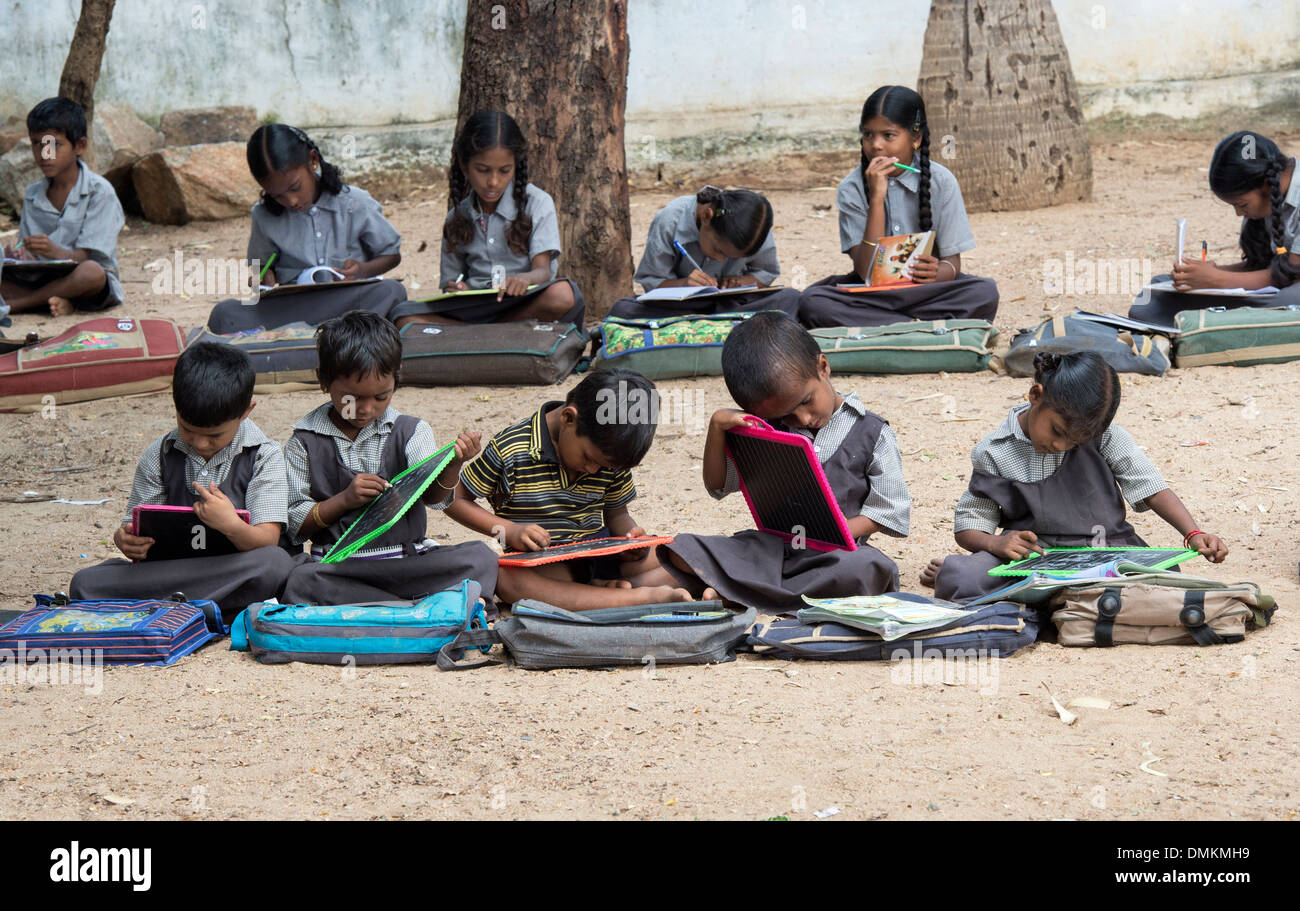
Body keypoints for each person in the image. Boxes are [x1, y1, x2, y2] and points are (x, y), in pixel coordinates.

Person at [924, 351, 1229, 604]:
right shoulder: (994, 452)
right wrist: (995, 544)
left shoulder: (1108, 437)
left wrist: (1193, 534)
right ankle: (1066, 601)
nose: (1060, 446)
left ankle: (1047, 602)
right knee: (961, 577)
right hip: (1032, 560)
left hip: (1107, 551)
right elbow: (968, 528)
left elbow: (1152, 489)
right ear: (1035, 395)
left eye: (1076, 441)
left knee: (1170, 579)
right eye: (1057, 431)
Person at [658, 312, 909, 614]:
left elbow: (888, 510)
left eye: (805, 402)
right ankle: (764, 595)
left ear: (823, 367)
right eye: (787, 415)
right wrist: (717, 428)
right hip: (772, 550)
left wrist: (834, 530)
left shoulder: (873, 432)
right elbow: (717, 484)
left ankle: (739, 594)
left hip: (836, 554)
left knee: (872, 568)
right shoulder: (767, 428)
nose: (803, 419)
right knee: (683, 549)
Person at [279, 311, 498, 604]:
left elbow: (434, 499)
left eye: (381, 397)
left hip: (405, 565)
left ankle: (375, 603)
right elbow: (294, 525)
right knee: (299, 578)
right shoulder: (304, 441)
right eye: (352, 398)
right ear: (323, 381)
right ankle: (413, 604)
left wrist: (454, 462)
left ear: (396, 380)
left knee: (480, 557)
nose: (367, 409)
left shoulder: (411, 431)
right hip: (338, 571)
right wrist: (342, 501)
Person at [69, 343, 296, 615]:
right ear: (175, 405)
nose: (200, 443)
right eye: (187, 430)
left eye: (214, 436)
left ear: (246, 411)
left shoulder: (263, 456)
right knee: (84, 582)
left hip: (235, 569)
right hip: (174, 571)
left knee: (276, 565)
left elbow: (267, 540)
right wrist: (126, 541)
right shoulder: (159, 455)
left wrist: (231, 525)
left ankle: (166, 605)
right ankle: (203, 605)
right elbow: (136, 529)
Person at [446, 368, 690, 610]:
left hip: (602, 555)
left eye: (604, 466)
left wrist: (633, 543)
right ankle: (640, 598)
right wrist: (509, 530)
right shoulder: (511, 449)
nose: (594, 470)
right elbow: (455, 499)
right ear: (568, 418)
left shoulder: (610, 454)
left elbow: (617, 515)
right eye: (588, 458)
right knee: (506, 578)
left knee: (682, 552)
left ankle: (601, 592)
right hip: (546, 565)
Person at [797, 85, 998, 328]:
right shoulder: (851, 188)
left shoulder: (942, 181)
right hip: (873, 295)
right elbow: (865, 272)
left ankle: (892, 327)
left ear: (916, 138)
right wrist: (876, 199)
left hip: (928, 293)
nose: (876, 145)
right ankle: (921, 326)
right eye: (868, 135)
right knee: (813, 302)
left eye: (888, 135)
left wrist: (938, 273)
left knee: (984, 292)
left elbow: (952, 265)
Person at [205, 124, 407, 333]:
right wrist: (264, 277)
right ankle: (334, 337)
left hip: (350, 304)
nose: (291, 201)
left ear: (313, 160)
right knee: (225, 313)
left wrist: (363, 270)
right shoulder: (263, 215)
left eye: (295, 188)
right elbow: (261, 265)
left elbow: (392, 255)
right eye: (277, 195)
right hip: (295, 308)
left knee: (392, 291)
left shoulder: (355, 203)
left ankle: (312, 337)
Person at [392, 110, 583, 326]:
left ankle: (480, 334)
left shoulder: (537, 203)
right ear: (465, 167)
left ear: (515, 166)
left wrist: (524, 279)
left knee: (563, 294)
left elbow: (543, 270)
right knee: (403, 317)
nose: (493, 182)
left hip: (522, 303)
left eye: (504, 171)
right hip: (475, 308)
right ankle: (493, 333)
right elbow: (450, 285)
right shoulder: (456, 218)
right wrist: (457, 288)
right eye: (483, 170)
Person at [1129, 131, 1300, 327]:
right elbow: (1264, 266)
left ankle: (1206, 324)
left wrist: (1216, 279)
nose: (1238, 213)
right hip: (1277, 286)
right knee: (1157, 290)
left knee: (1287, 300)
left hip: (1292, 290)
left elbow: (1291, 275)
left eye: (1242, 205)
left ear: (1267, 186)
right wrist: (1204, 274)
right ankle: (1220, 322)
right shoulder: (1270, 197)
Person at [1, 97, 124, 318]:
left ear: (80, 146)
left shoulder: (99, 192)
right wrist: (20, 256)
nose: (44, 153)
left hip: (87, 280)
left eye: (54, 144)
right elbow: (30, 255)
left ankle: (19, 305)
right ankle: (61, 301)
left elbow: (89, 259)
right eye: (37, 143)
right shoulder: (32, 195)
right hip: (44, 280)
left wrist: (53, 251)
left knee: (91, 273)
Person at [606, 186, 801, 320]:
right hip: (683, 308)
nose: (719, 259)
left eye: (734, 257)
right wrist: (683, 284)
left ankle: (700, 327)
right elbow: (652, 283)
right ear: (707, 217)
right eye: (719, 250)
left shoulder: (754, 227)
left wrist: (746, 281)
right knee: (623, 309)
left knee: (790, 298)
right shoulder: (670, 220)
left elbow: (765, 273)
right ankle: (731, 325)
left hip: (733, 304)